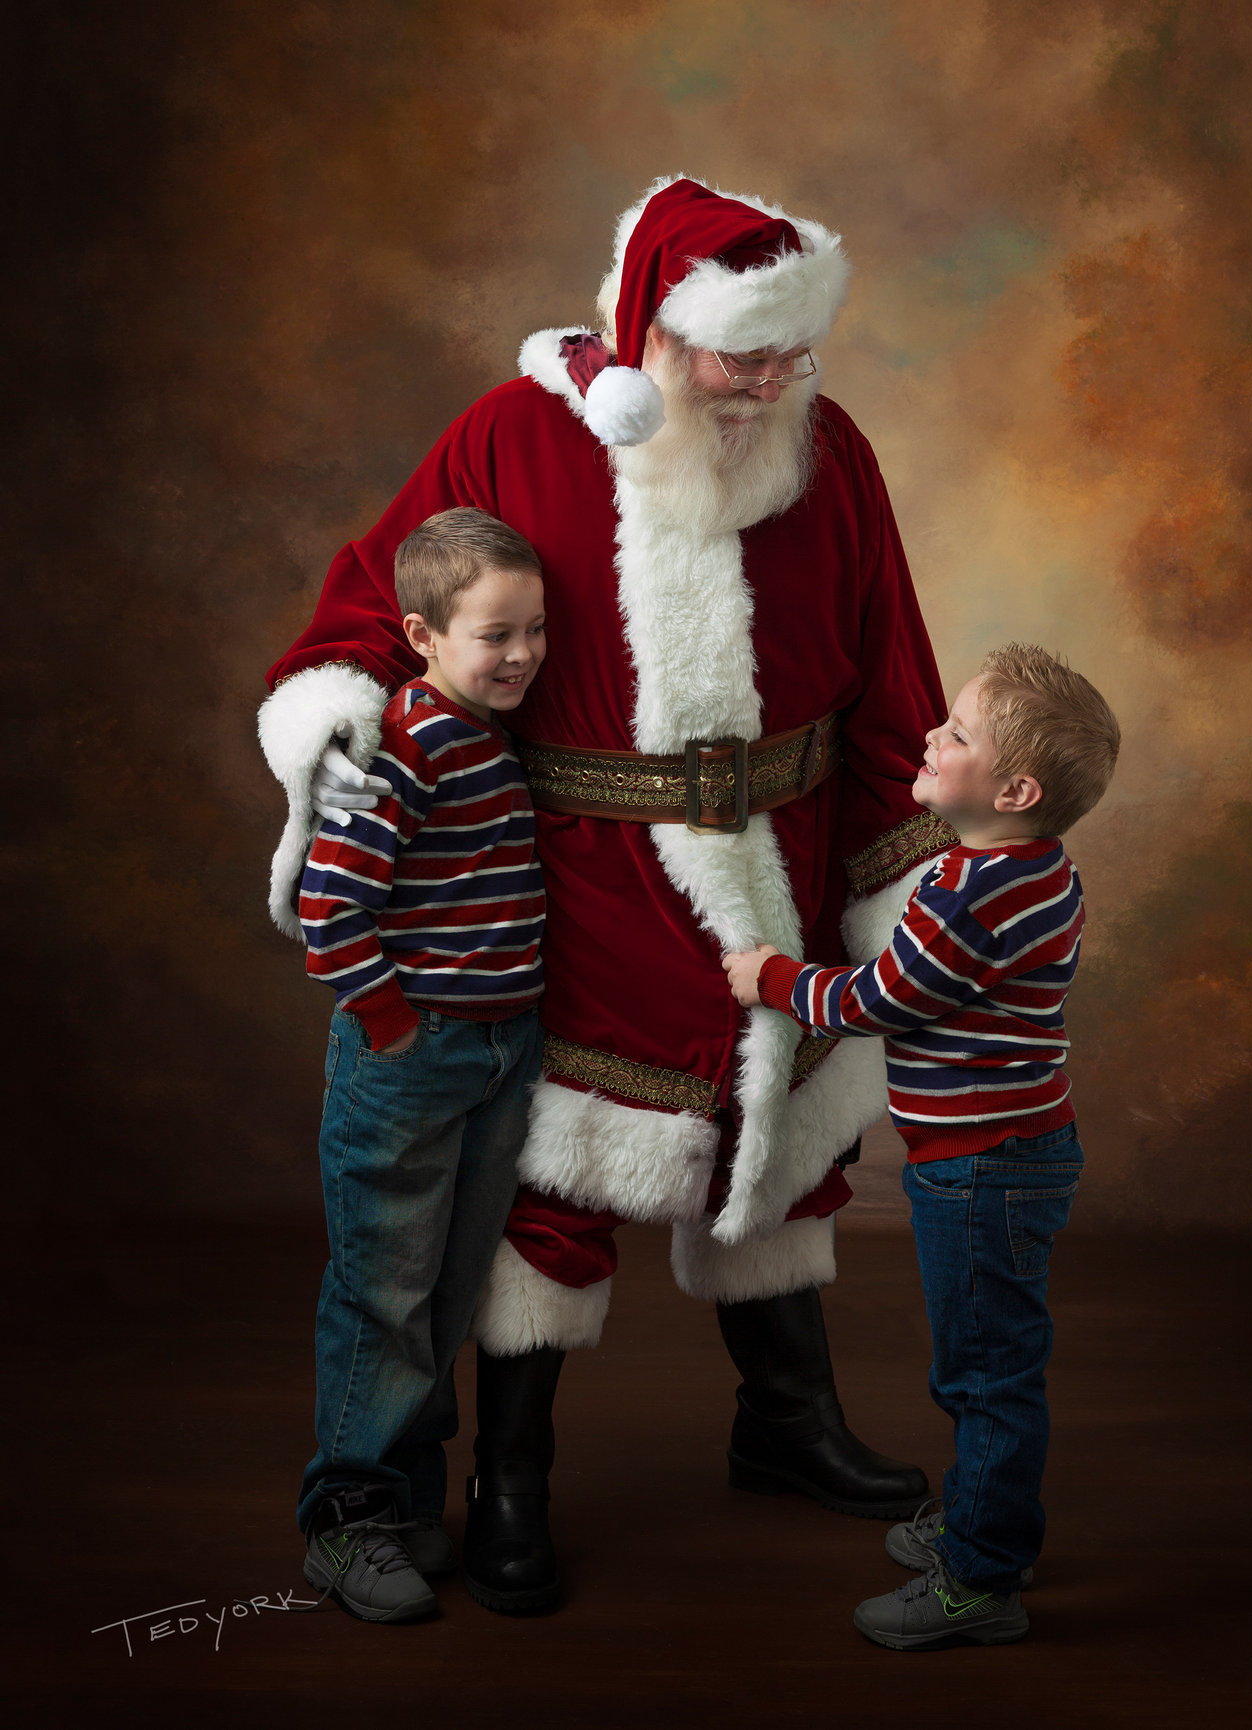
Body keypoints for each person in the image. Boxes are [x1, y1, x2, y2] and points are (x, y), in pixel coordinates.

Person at [258, 175, 955, 1616]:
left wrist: (898, 876)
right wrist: (335, 733)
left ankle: (786, 1421)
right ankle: (510, 1477)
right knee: (556, 1178)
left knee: (781, 1144)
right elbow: (373, 613)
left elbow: (892, 665)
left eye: (790, 350)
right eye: (738, 353)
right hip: (571, 878)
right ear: (651, 333)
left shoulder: (833, 451)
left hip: (786, 860)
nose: (769, 382)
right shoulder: (512, 437)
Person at [724, 644, 1120, 1651]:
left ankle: (980, 1577)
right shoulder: (1033, 869)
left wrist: (773, 976)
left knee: (984, 1374)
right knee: (989, 1360)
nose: (932, 736)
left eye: (957, 733)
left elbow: (878, 1000)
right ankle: (986, 1523)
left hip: (981, 1164)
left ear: (1014, 791)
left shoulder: (969, 892)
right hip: (1015, 1148)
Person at [296, 507, 548, 1622]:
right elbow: (329, 908)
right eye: (496, 634)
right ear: (422, 634)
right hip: (414, 1052)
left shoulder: (485, 731)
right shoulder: (402, 745)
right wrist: (394, 1022)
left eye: (535, 629)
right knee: (383, 1289)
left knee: (447, 1288)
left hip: (499, 1050)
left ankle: (406, 1504)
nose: (523, 653)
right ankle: (347, 1520)